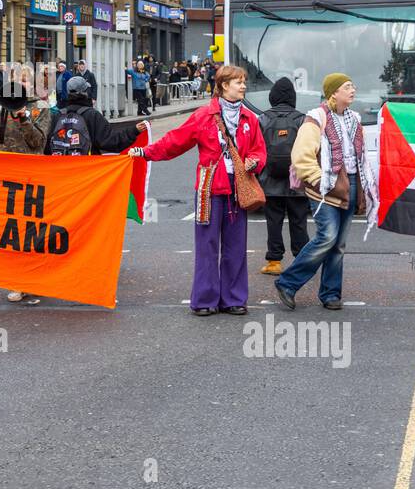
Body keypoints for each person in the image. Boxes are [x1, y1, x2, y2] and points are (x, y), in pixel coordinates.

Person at [128, 66, 267, 315]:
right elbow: (175, 141)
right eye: (239, 82)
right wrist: (145, 152)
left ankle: (233, 299)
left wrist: (255, 161)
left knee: (236, 247)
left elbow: (259, 150)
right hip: (210, 189)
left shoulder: (250, 119)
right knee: (207, 246)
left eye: (244, 81)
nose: (244, 86)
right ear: (224, 85)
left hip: (239, 190)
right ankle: (205, 300)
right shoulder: (204, 115)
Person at [272, 73, 379, 311]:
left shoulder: (354, 119)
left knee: (338, 244)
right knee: (326, 237)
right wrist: (319, 180)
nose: (353, 90)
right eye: (347, 86)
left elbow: (360, 157)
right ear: (334, 93)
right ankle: (288, 283)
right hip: (325, 188)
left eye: (352, 85)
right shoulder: (315, 118)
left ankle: (330, 293)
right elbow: (301, 155)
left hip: (351, 184)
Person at [0, 65, 53, 304]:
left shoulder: (40, 108)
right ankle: (16, 280)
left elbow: (38, 141)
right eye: (15, 79)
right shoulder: (3, 107)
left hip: (31, 176)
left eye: (23, 80)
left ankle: (34, 279)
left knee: (32, 232)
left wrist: (24, 118)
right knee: (10, 230)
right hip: (5, 175)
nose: (19, 83)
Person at [258, 77, 309, 276]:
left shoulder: (262, 119)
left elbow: (257, 150)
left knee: (273, 221)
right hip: (297, 180)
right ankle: (302, 260)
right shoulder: (302, 119)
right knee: (299, 220)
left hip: (270, 180)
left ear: (273, 97)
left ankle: (274, 261)